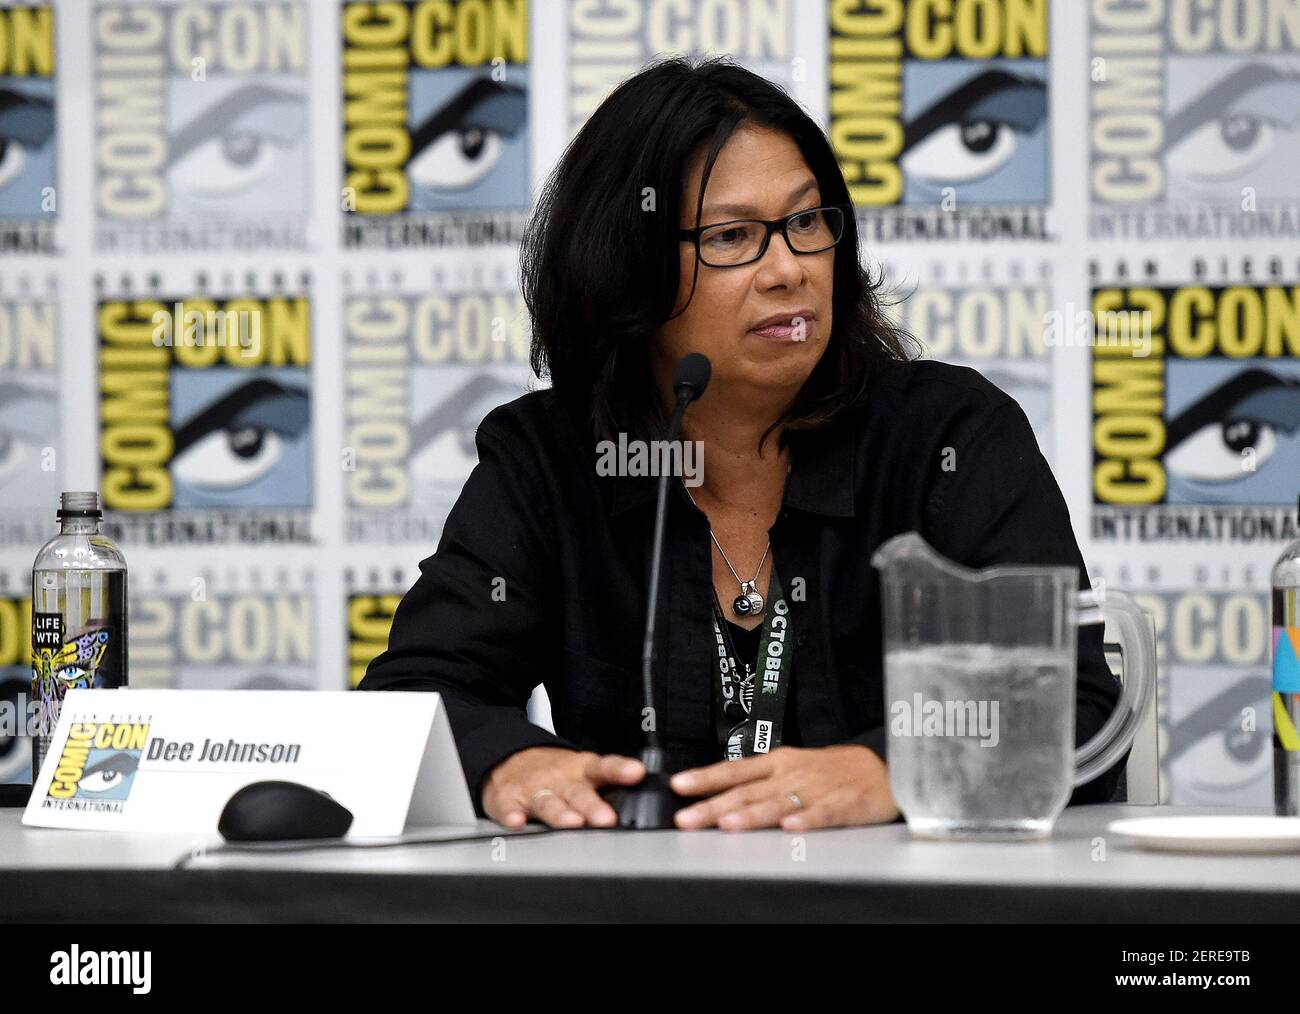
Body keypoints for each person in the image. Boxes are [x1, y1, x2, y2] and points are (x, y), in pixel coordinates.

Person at [359, 57, 1124, 832]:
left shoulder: (945, 439)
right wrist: (508, 761)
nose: (789, 270)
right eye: (732, 237)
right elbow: (412, 700)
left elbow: (1079, 705)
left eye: (806, 222)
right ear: (627, 269)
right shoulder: (552, 461)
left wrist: (895, 771)